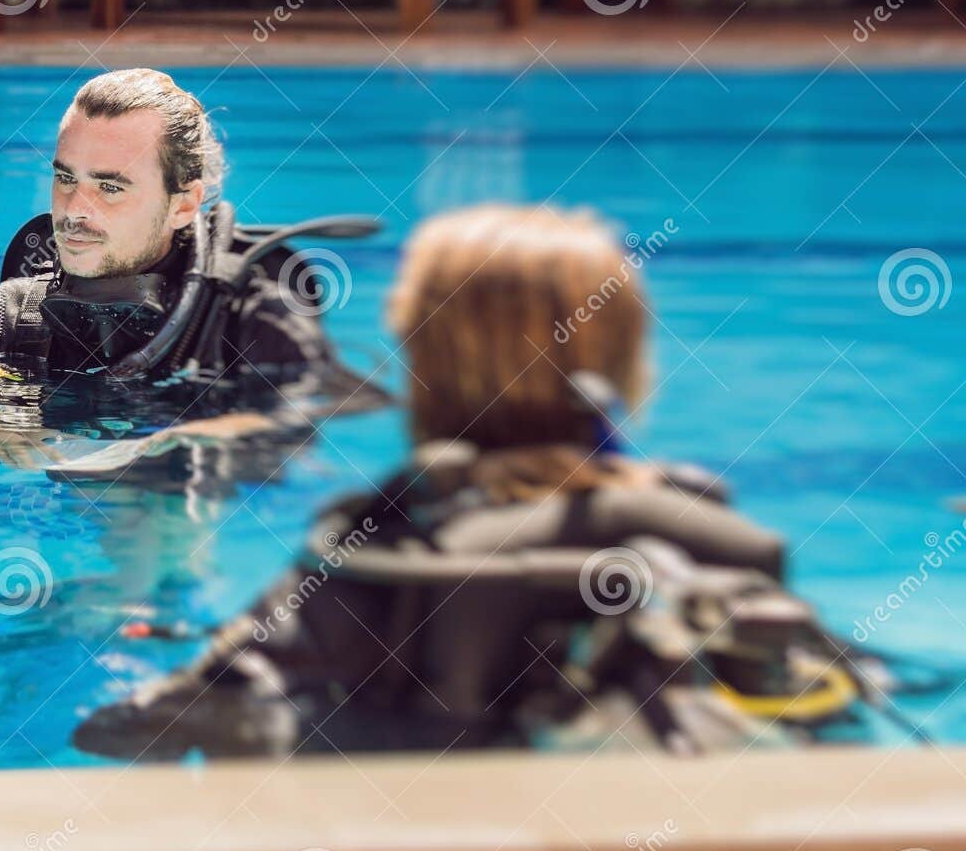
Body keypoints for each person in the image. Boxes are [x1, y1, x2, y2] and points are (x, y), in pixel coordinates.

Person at [73, 204, 884, 760]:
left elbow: (129, 730)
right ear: (619, 370)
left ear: (428, 371)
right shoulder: (701, 542)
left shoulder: (377, 553)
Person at [0, 68, 388, 477]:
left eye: (110, 187)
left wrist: (184, 440)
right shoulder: (3, 319)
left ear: (182, 204)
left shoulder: (246, 309)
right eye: (65, 179)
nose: (76, 210)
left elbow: (340, 405)